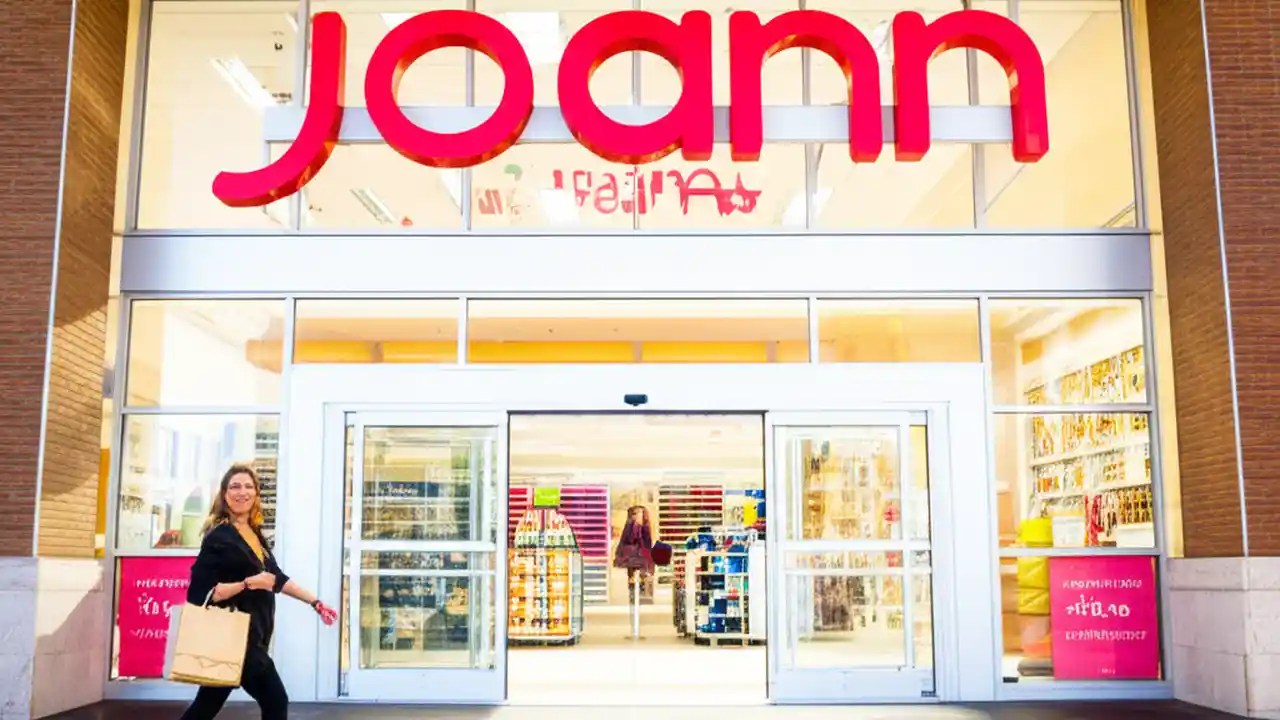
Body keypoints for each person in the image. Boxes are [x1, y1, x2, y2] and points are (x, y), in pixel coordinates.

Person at [180, 464, 337, 720]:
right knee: (275, 701)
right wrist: (247, 583)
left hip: (251, 635)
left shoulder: (253, 534)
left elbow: (276, 578)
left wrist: (315, 603)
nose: (242, 492)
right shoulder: (219, 536)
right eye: (235, 486)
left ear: (256, 494)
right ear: (224, 494)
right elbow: (201, 594)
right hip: (238, 637)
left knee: (205, 706)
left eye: (248, 486)